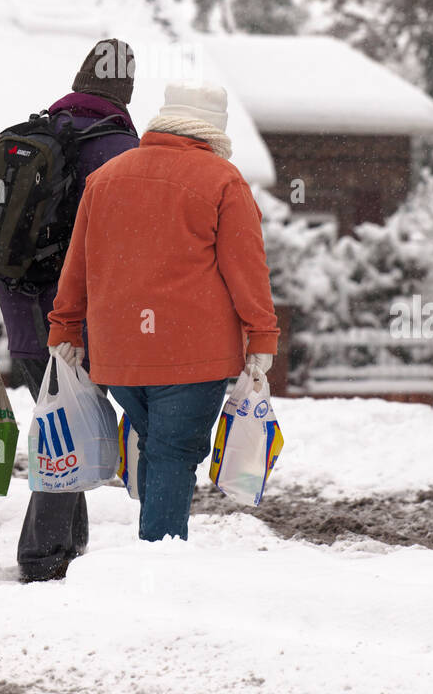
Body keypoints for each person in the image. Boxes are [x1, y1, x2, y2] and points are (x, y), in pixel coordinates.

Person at [47, 81, 278, 542]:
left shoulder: (106, 177)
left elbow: (78, 265)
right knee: (174, 452)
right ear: (214, 131)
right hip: (192, 352)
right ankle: (158, 564)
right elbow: (247, 271)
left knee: (158, 446)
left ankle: (153, 552)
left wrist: (65, 329)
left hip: (118, 354)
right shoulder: (222, 181)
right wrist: (263, 337)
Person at [0, 38, 138, 581]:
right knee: (66, 426)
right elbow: (125, 246)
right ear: (126, 92)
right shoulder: (122, 153)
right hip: (80, 318)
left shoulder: (23, 140)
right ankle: (42, 556)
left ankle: (68, 549)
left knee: (64, 420)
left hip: (20, 307)